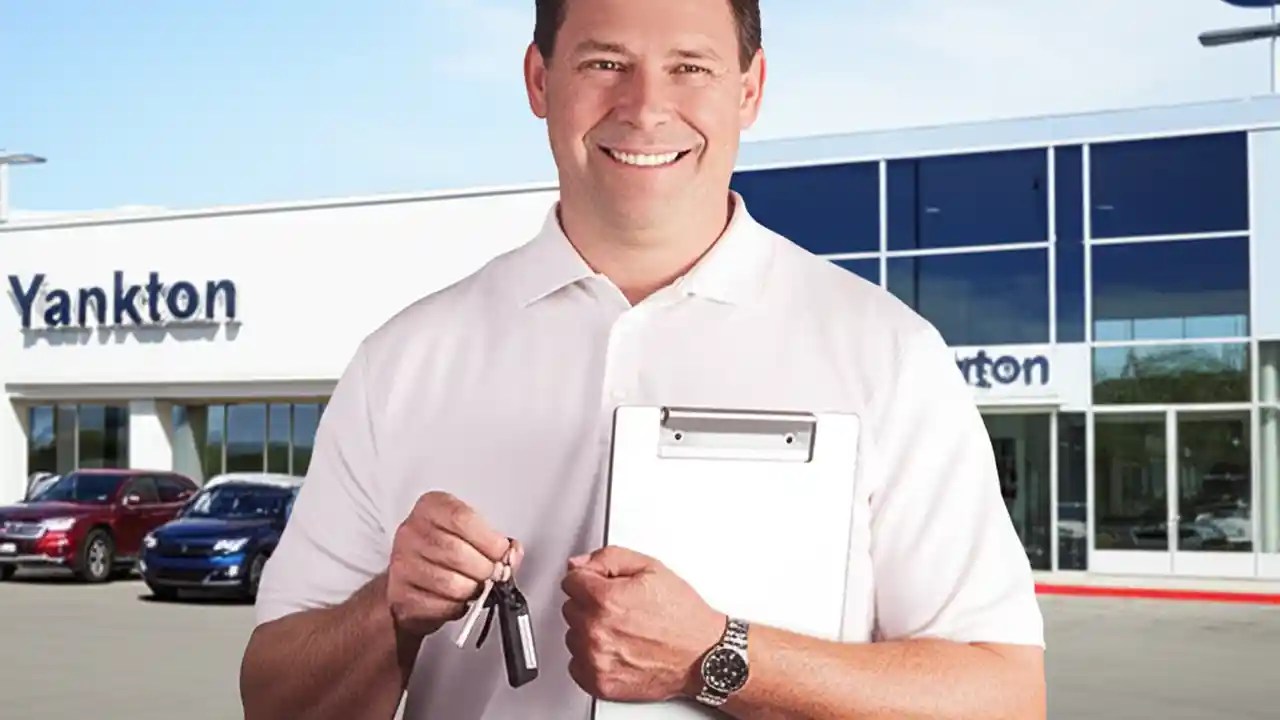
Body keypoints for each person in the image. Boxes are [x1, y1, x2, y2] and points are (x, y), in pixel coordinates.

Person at [238, 0, 1048, 717]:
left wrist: (717, 658)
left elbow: (1003, 699)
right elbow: (275, 702)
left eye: (689, 66)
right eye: (604, 63)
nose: (645, 107)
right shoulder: (401, 363)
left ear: (750, 88)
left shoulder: (886, 355)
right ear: (538, 80)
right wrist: (389, 609)